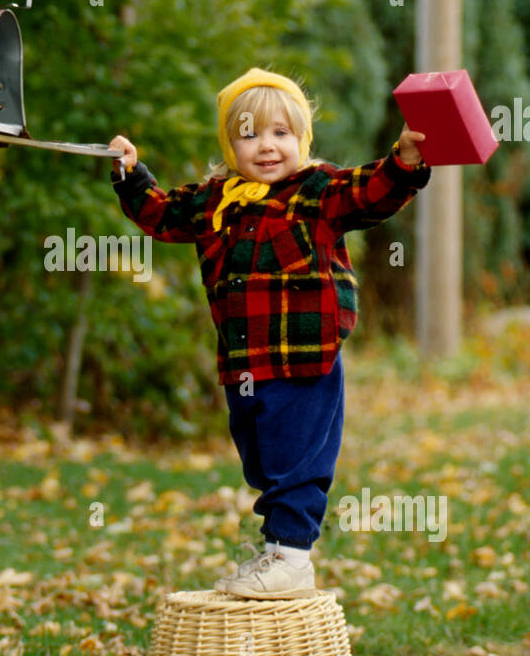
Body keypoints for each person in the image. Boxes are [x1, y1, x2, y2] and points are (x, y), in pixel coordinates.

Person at [109, 67, 430, 597]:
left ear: (301, 139)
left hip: (305, 357)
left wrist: (404, 163)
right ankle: (276, 547)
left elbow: (369, 192)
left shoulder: (318, 191)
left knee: (296, 456)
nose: (266, 146)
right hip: (245, 362)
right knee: (259, 455)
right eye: (249, 133)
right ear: (230, 145)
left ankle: (291, 553)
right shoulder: (216, 201)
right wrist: (130, 172)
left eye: (281, 133)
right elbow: (160, 215)